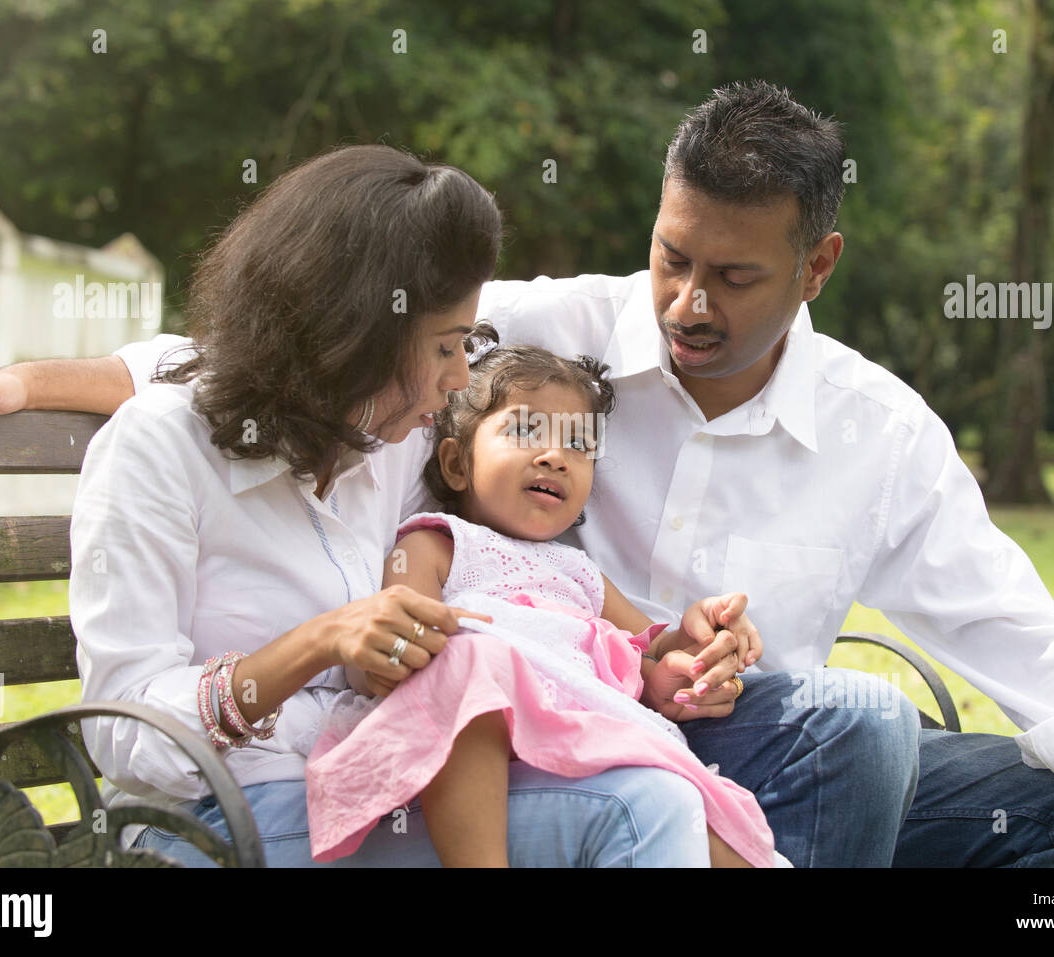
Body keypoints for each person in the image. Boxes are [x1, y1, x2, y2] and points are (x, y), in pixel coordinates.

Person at [0, 81, 1054, 867]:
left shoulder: (882, 433)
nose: (686, 301)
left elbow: (1018, 634)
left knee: (1046, 809)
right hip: (496, 751)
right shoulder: (534, 343)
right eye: (668, 256)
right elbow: (264, 351)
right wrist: (23, 387)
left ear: (816, 268)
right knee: (821, 742)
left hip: (676, 725)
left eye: (732, 277)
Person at [60, 143, 730, 867]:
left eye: (465, 348)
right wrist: (318, 643)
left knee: (663, 794)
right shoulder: (160, 449)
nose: (456, 383)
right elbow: (123, 732)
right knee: (638, 812)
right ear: (353, 336)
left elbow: (505, 561)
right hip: (213, 822)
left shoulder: (388, 447)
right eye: (444, 350)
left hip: (374, 787)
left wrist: (661, 645)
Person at [305, 342, 775, 867]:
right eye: (526, 431)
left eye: (578, 444)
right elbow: (399, 644)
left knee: (722, 838)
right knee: (467, 662)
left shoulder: (578, 573)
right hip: (475, 748)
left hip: (588, 743)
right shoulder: (438, 544)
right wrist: (410, 655)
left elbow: (651, 652)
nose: (555, 455)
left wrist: (690, 648)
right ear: (457, 464)